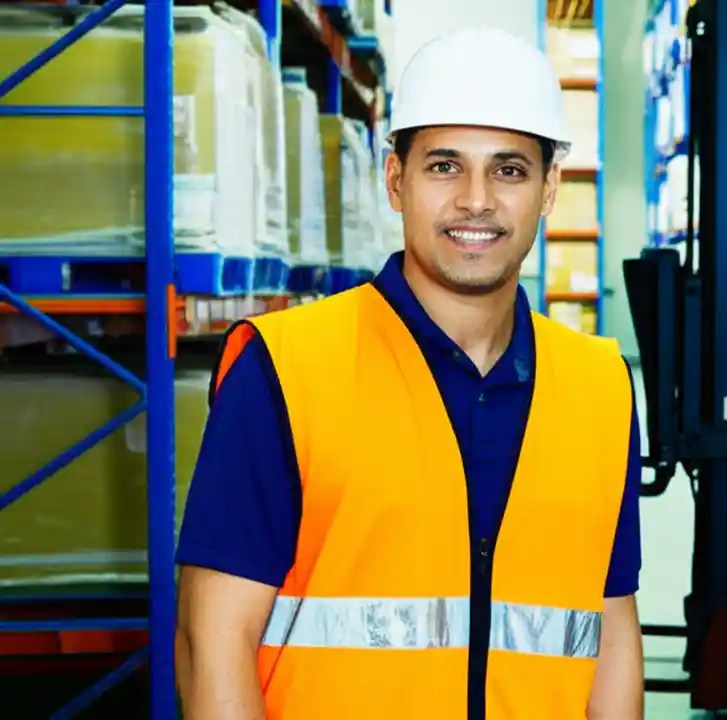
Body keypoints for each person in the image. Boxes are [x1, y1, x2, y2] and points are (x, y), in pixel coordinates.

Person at [173, 26, 643, 720]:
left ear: (548, 189)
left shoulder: (599, 388)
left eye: (509, 169)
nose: (476, 200)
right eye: (445, 166)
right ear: (396, 180)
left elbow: (611, 631)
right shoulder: (286, 370)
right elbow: (211, 640)